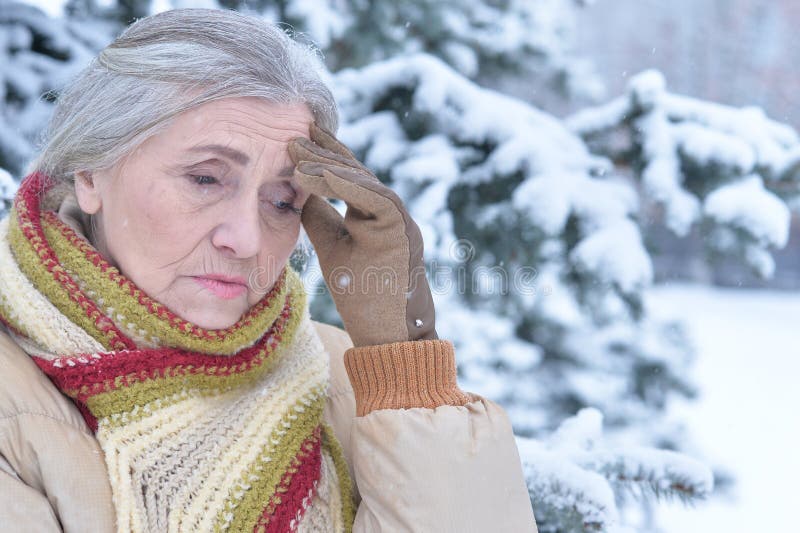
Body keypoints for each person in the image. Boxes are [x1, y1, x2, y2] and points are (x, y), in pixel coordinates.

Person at [0, 8, 538, 533]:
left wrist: (402, 360)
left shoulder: (354, 377)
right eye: (205, 179)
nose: (246, 239)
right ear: (90, 174)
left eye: (282, 200)